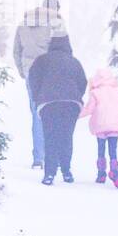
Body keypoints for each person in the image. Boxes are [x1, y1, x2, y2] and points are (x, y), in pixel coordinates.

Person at [12, 0, 67, 168]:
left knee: (37, 114)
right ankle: (55, 157)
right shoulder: (56, 23)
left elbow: (16, 51)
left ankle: (38, 158)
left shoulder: (23, 24)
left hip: (31, 72)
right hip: (51, 73)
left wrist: (24, 71)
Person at [26, 35, 87, 185]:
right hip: (70, 103)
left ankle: (49, 174)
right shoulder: (74, 62)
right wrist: (76, 95)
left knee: (50, 137)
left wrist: (37, 98)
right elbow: (83, 82)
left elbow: (33, 79)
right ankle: (66, 172)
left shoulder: (41, 60)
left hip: (48, 103)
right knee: (66, 137)